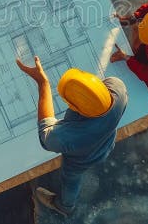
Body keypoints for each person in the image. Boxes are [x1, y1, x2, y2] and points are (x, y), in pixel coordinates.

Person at [16, 56, 128, 216]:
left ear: (80, 110)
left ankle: (65, 206)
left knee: (71, 180)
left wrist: (43, 84)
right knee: (95, 156)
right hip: (106, 144)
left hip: (80, 161)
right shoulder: (118, 88)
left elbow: (45, 134)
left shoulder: (73, 136)